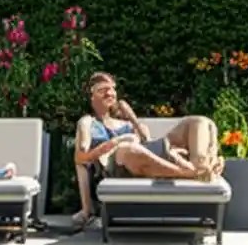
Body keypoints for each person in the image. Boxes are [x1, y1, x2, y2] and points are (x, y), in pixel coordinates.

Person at [70, 72, 223, 230]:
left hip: (145, 157)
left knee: (200, 122)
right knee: (126, 149)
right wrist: (115, 142)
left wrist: (136, 124)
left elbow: (147, 144)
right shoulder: (88, 122)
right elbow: (80, 158)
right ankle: (191, 173)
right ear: (91, 96)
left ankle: (203, 165)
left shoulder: (126, 122)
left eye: (112, 89)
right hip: (118, 165)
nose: (109, 93)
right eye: (102, 90)